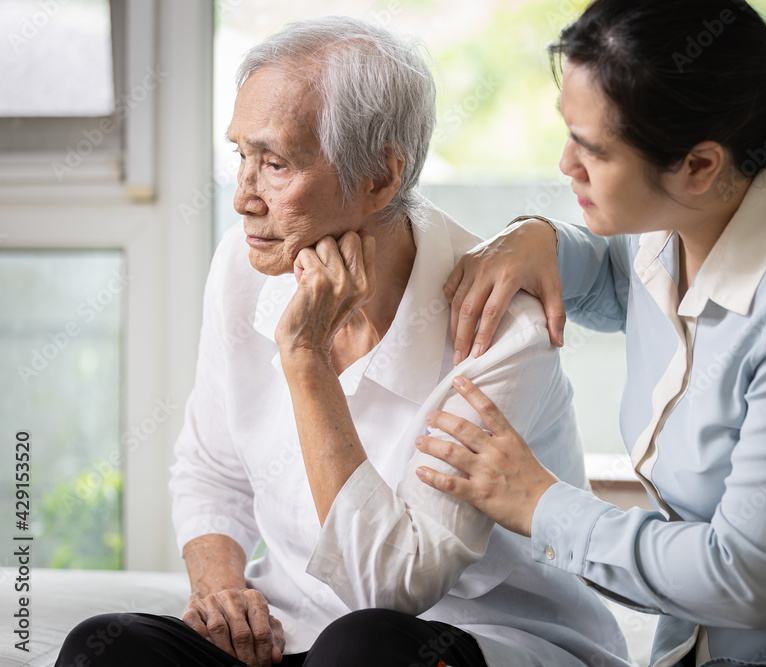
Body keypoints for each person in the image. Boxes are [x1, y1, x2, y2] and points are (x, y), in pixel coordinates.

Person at [413, 1, 766, 666]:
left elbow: (746, 576)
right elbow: (626, 283)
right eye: (567, 134)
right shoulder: (683, 221)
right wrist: (542, 240)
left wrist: (538, 503)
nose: (563, 165)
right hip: (717, 645)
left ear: (698, 165)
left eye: (592, 150)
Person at [54, 16, 631, 667]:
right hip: (297, 633)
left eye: (274, 163)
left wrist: (306, 361)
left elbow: (389, 589)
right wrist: (222, 595)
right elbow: (211, 472)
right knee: (103, 649)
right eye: (240, 155)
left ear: (382, 176)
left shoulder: (502, 332)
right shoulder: (245, 265)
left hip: (469, 639)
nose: (244, 197)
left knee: (362, 648)